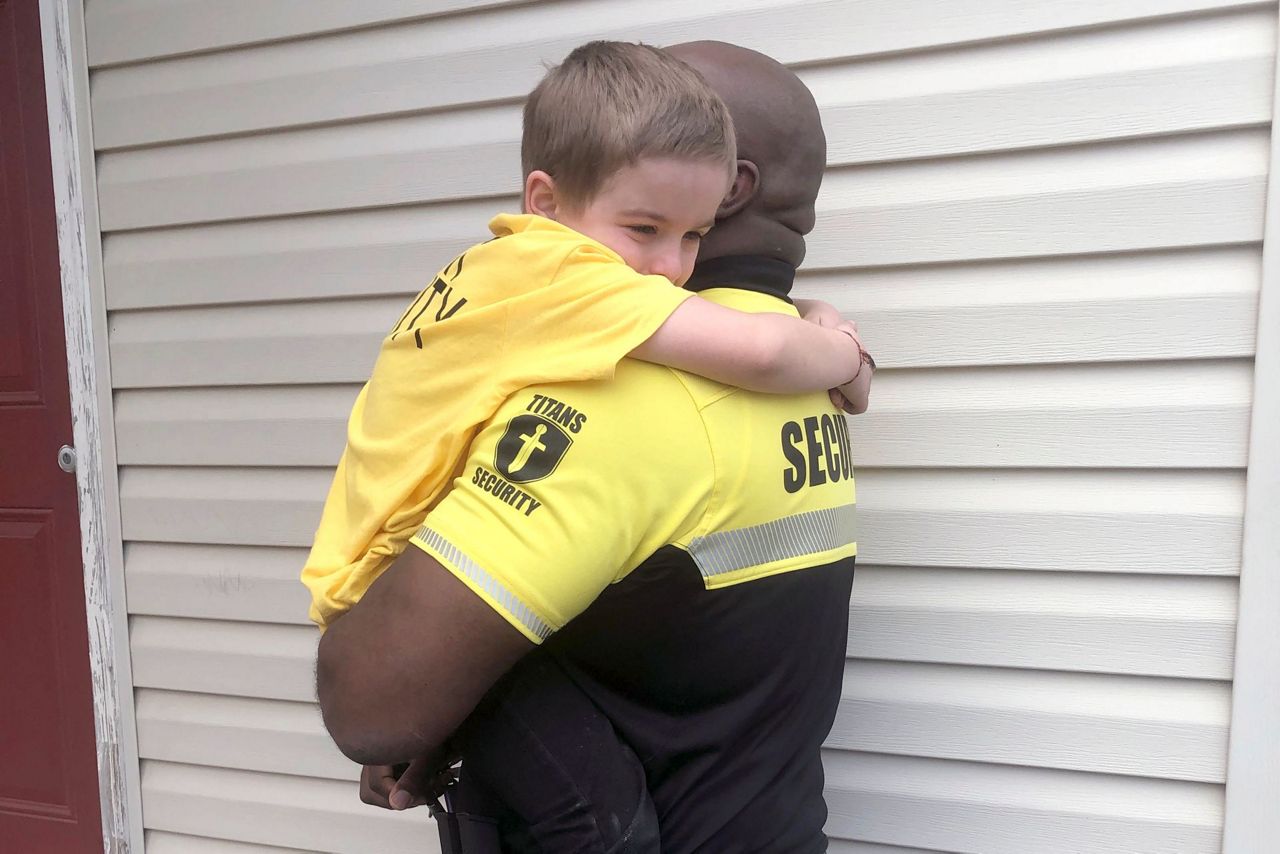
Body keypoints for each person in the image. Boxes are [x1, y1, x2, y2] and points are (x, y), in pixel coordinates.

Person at [319, 41, 867, 853]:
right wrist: (843, 343)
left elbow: (370, 705)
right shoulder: (806, 385)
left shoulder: (620, 390)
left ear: (730, 181)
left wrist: (428, 703)